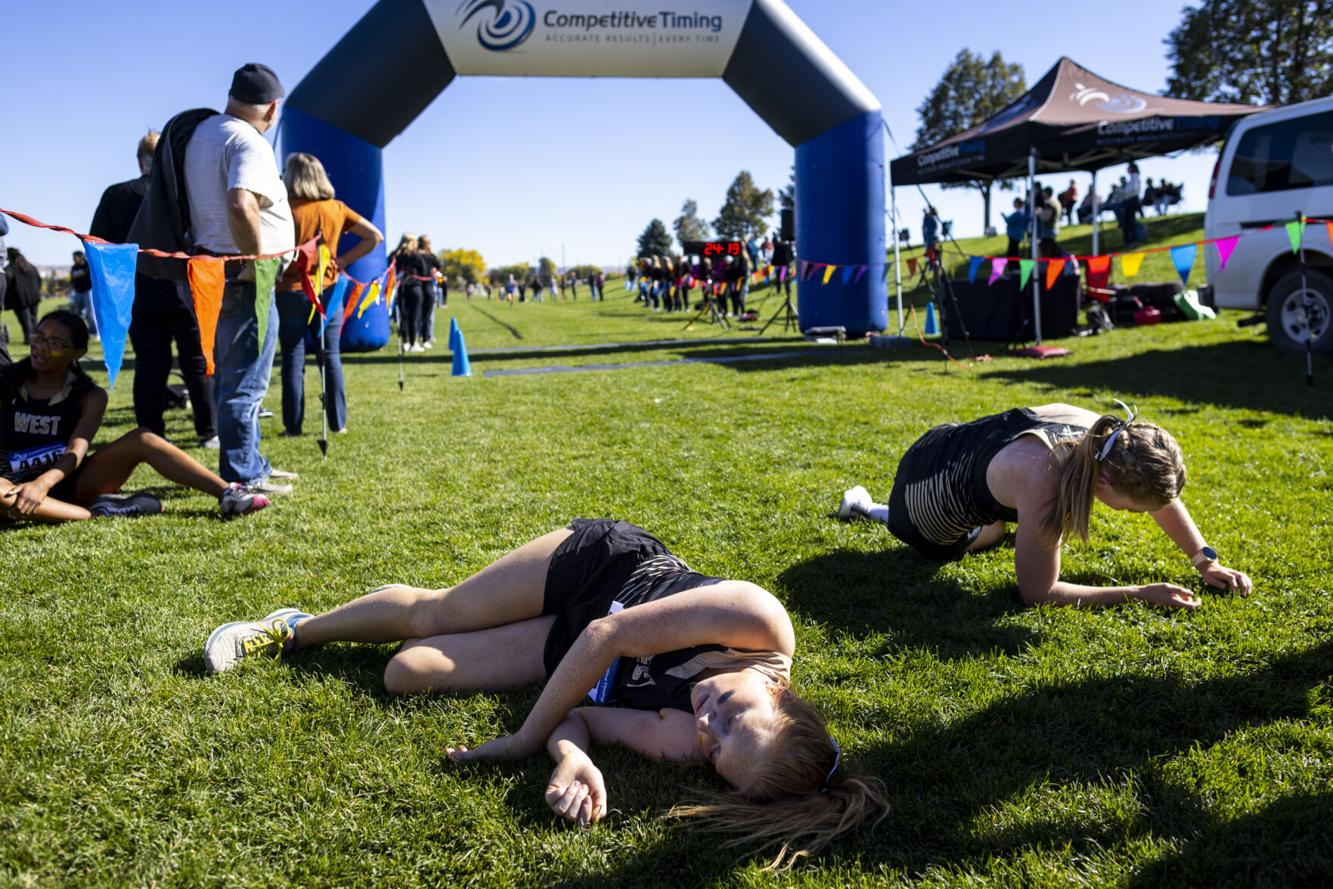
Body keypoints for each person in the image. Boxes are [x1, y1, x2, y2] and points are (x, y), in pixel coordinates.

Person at [202, 518, 886, 865]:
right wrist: (527, 736)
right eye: (734, 716)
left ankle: (330, 631)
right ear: (783, 699)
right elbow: (604, 635)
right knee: (432, 614)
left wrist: (571, 757)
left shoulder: (696, 736)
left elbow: (583, 717)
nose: (707, 723)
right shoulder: (761, 622)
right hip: (599, 572)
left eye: (715, 751)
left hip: (566, 650)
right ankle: (293, 629)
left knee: (403, 672)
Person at [836, 403, 1253, 609]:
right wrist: (1139, 593)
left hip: (939, 445)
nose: (1131, 515)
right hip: (922, 511)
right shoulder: (1047, 479)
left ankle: (873, 505)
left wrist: (1204, 560)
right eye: (1128, 510)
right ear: (1104, 480)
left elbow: (1159, 495)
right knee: (993, 531)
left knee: (1004, 522)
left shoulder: (1106, 433)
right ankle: (869, 508)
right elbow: (1039, 591)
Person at [0, 310, 268, 522]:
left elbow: (76, 450)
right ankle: (93, 513)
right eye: (38, 337)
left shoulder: (90, 395)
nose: (41, 347)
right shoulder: (7, 381)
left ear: (77, 353)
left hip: (67, 481)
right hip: (8, 484)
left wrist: (42, 483)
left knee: (143, 438)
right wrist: (26, 486)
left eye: (55, 343)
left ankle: (229, 494)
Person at [181, 63, 297, 495]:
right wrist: (255, 260)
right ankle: (244, 472)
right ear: (271, 107)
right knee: (245, 382)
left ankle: (251, 462)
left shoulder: (203, 133)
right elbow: (239, 202)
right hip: (241, 275)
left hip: (209, 269)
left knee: (230, 377)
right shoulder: (248, 140)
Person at [90, 130, 219, 449]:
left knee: (150, 364)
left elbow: (98, 244)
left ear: (140, 160)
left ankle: (149, 433)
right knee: (196, 361)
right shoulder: (186, 193)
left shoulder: (116, 195)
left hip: (139, 295)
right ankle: (208, 429)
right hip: (185, 290)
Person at [273, 153, 382, 437]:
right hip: (329, 290)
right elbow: (374, 237)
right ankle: (338, 423)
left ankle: (293, 427)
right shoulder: (336, 208)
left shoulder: (285, 209)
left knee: (293, 360)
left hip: (290, 292)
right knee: (330, 356)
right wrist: (344, 260)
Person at [391, 234, 427, 351]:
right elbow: (424, 271)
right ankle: (413, 343)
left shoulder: (395, 255)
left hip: (400, 288)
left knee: (403, 316)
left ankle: (405, 341)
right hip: (414, 288)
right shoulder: (416, 256)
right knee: (414, 316)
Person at [4, 247, 42, 344]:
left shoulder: (10, 268)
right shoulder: (31, 266)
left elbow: (6, 283)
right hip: (34, 297)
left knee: (25, 320)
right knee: (33, 319)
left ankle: (29, 339)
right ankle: (35, 339)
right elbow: (39, 280)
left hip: (20, 299)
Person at [416, 235, 442, 347]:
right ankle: (426, 338)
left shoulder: (415, 255)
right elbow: (438, 266)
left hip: (416, 287)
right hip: (427, 288)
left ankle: (416, 337)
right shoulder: (429, 256)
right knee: (427, 316)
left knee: (417, 315)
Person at [67, 251, 97, 340]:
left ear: (81, 257)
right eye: (73, 257)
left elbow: (85, 273)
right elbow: (72, 279)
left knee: (90, 313)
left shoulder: (87, 265)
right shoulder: (74, 267)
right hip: (78, 292)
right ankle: (81, 332)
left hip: (88, 291)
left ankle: (95, 332)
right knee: (78, 314)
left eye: (75, 257)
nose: (74, 258)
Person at [1120, 163, 1142, 247]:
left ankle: (1133, 240)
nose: (1127, 169)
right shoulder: (1133, 177)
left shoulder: (1134, 176)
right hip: (1129, 200)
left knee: (1130, 221)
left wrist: (1123, 192)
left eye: (1128, 168)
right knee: (1128, 222)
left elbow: (1133, 188)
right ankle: (1130, 241)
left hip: (1131, 201)